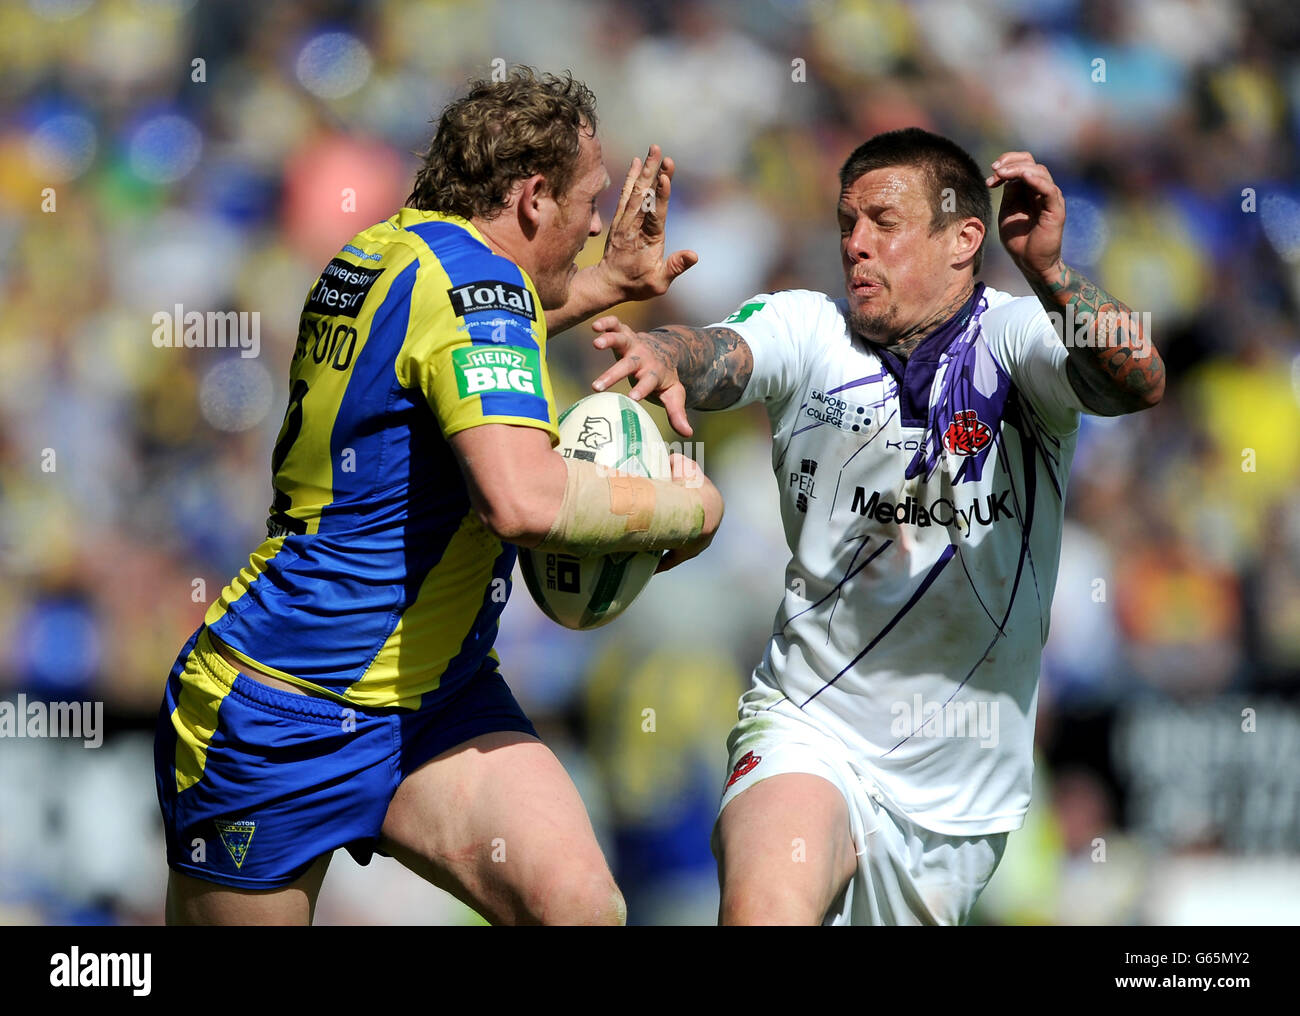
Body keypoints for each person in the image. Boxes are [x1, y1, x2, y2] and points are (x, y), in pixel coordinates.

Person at [154, 67, 723, 926]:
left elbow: (464, 334)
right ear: (534, 197)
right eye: (591, 198)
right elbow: (523, 502)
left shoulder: (388, 250)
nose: (601, 220)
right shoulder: (476, 292)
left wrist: (604, 283)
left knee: (578, 907)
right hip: (284, 708)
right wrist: (691, 509)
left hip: (436, 699)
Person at [589, 127, 1164, 925]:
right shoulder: (808, 327)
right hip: (807, 726)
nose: (856, 244)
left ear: (965, 238)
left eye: (884, 222)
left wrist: (1052, 273)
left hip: (959, 795)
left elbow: (1137, 380)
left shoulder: (1018, 336)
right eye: (846, 222)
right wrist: (660, 348)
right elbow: (721, 351)